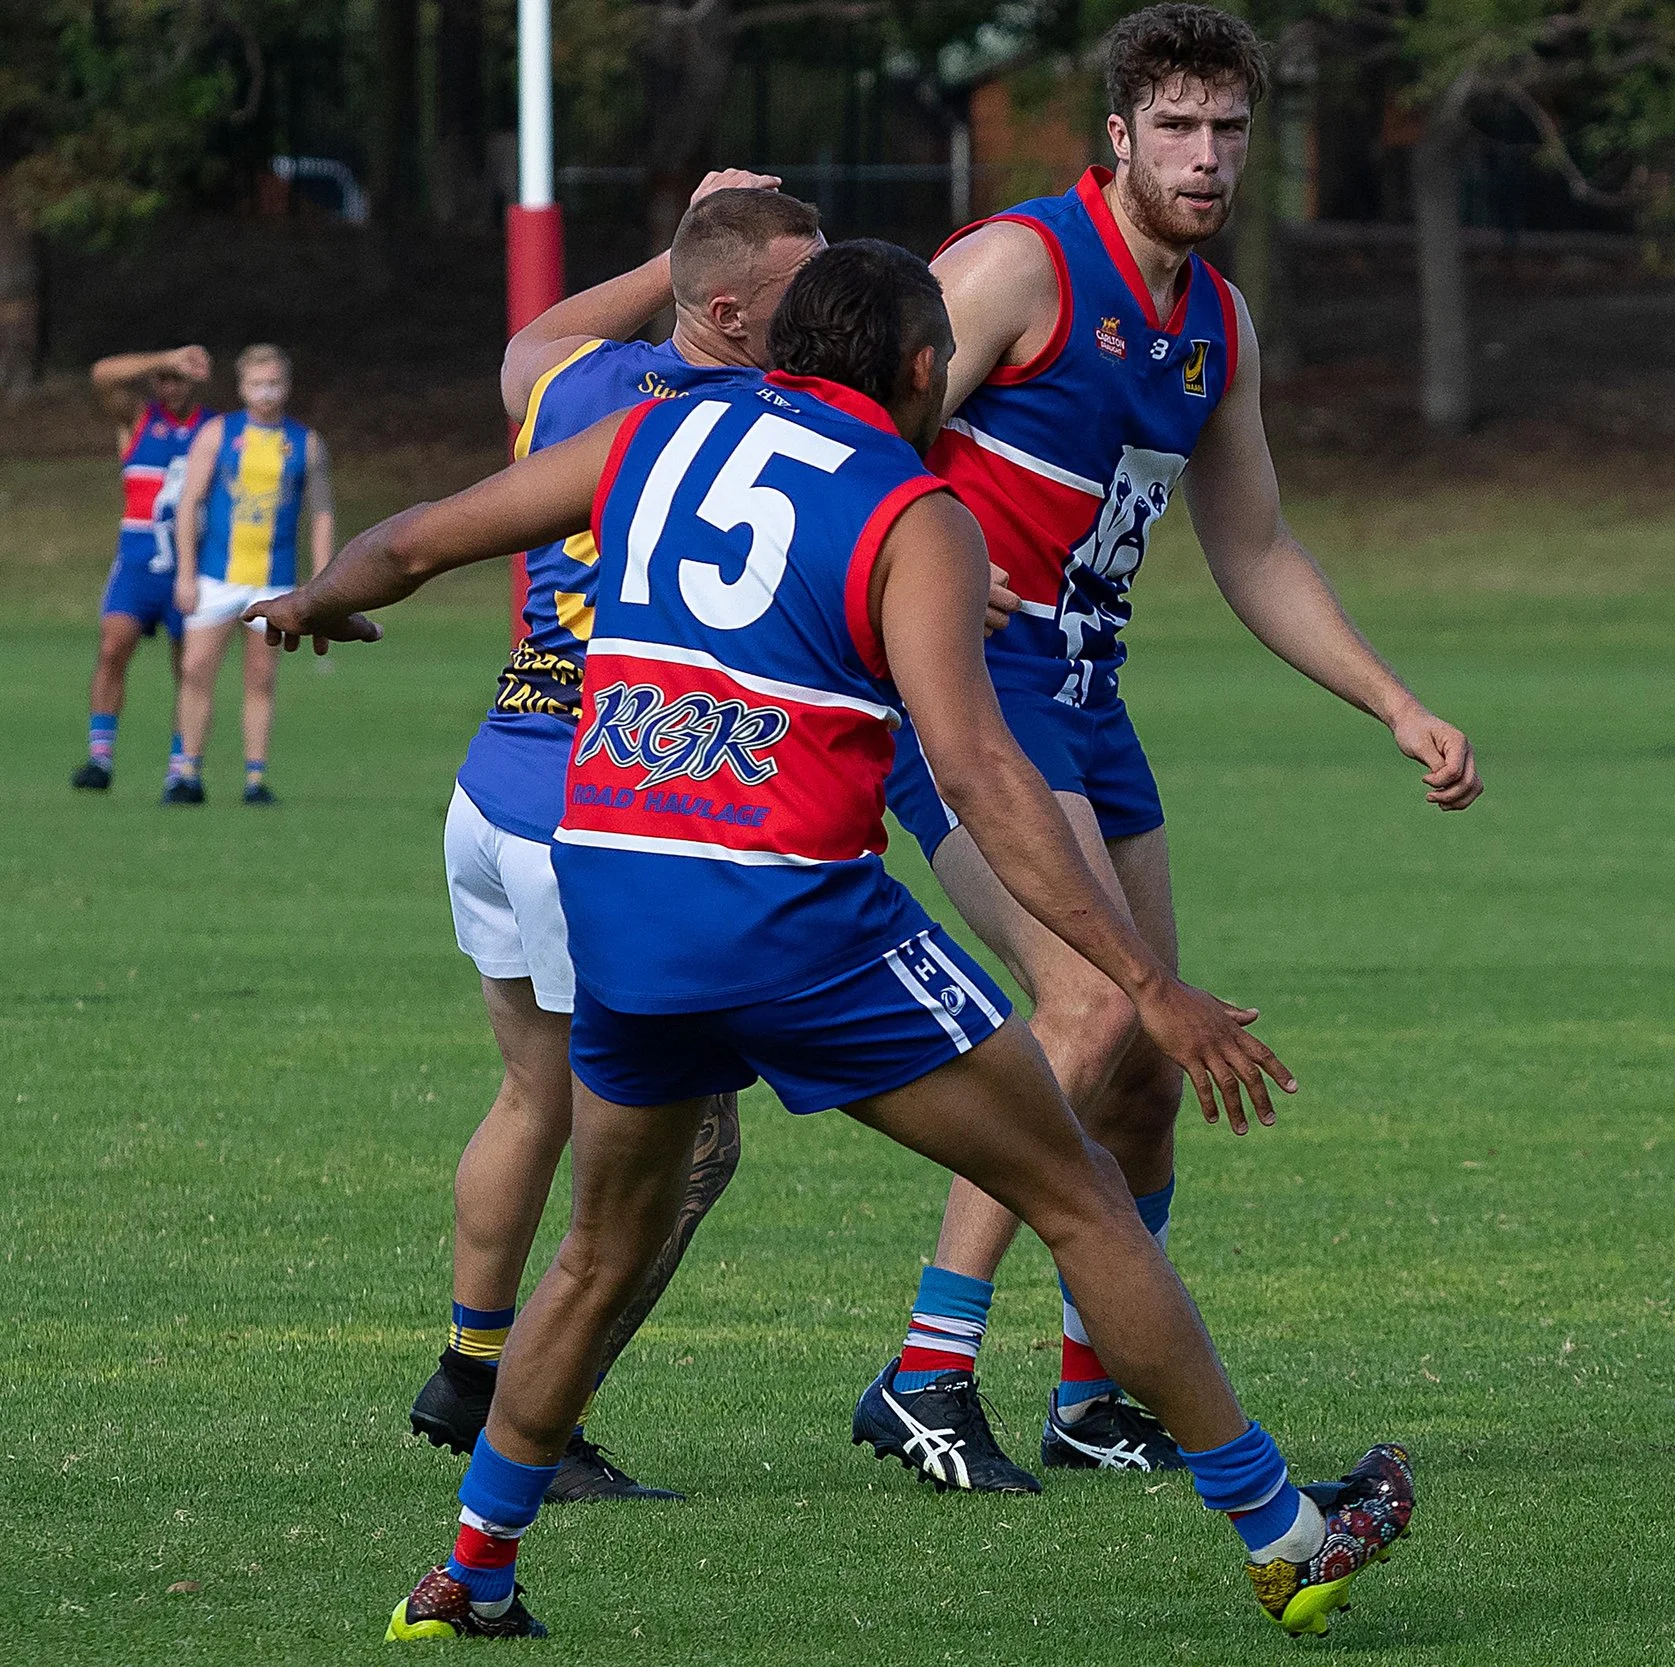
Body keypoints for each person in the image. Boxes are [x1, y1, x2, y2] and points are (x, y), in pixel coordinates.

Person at [250, 237, 1415, 1642]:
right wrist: (1145, 982)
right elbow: (979, 769)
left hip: (619, 888)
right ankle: (1286, 1532)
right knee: (1082, 1191)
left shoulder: (657, 429)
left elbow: (424, 533)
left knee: (601, 1250)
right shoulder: (918, 506)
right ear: (926, 369)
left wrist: (317, 599)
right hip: (793, 912)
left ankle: (471, 1570)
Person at [854, 0, 1482, 1494]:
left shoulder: (1219, 322)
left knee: (1143, 1069)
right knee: (1088, 1006)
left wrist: (1393, 701)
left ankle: (1095, 1390)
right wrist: (921, 551)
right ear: (1120, 136)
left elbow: (1254, 546)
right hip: (969, 690)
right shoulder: (1017, 264)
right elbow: (850, 422)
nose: (1207, 159)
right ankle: (927, 1369)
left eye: (1231, 132)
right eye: (1179, 129)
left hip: (1087, 702)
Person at [406, 172, 813, 1504]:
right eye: (795, 294)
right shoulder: (744, 422)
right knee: (688, 1146)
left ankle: (470, 1366)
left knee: (533, 1096)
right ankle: (538, 1418)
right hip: (601, 814)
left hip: (494, 782)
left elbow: (529, 338)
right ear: (737, 310)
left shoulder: (567, 382)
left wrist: (685, 238)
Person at [168, 344, 333, 805]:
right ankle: (187, 773)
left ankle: (255, 778)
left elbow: (320, 513)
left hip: (274, 579)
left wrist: (322, 582)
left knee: (261, 677)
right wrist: (185, 572)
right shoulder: (218, 434)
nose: (266, 392)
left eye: (274, 383)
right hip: (216, 576)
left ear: (288, 385)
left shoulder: (306, 443)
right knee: (196, 669)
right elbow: (189, 504)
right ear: (241, 387)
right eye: (257, 383)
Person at [72, 344, 217, 792]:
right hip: (137, 564)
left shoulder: (213, 429)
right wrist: (166, 358)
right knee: (113, 649)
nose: (170, 386)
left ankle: (182, 767)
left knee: (188, 666)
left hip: (190, 564)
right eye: (163, 378)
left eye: (179, 378)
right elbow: (102, 373)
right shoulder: (137, 421)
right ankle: (100, 757)